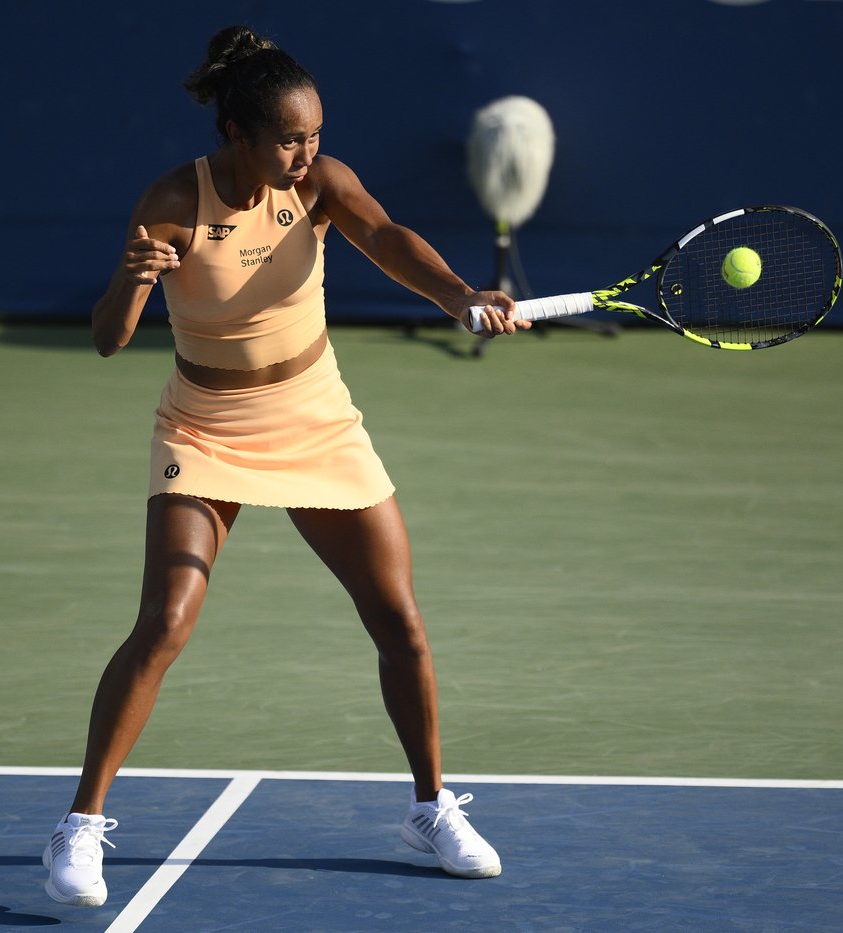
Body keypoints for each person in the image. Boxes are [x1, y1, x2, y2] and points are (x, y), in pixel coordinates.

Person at [43, 24, 528, 908]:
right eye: (289, 139)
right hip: (205, 428)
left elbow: (386, 237)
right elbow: (110, 341)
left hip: (316, 419)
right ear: (237, 133)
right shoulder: (171, 200)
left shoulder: (321, 185)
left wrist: (461, 292)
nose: (307, 154)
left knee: (400, 623)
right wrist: (135, 279)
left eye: (314, 136)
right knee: (166, 621)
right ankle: (77, 828)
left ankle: (430, 807)